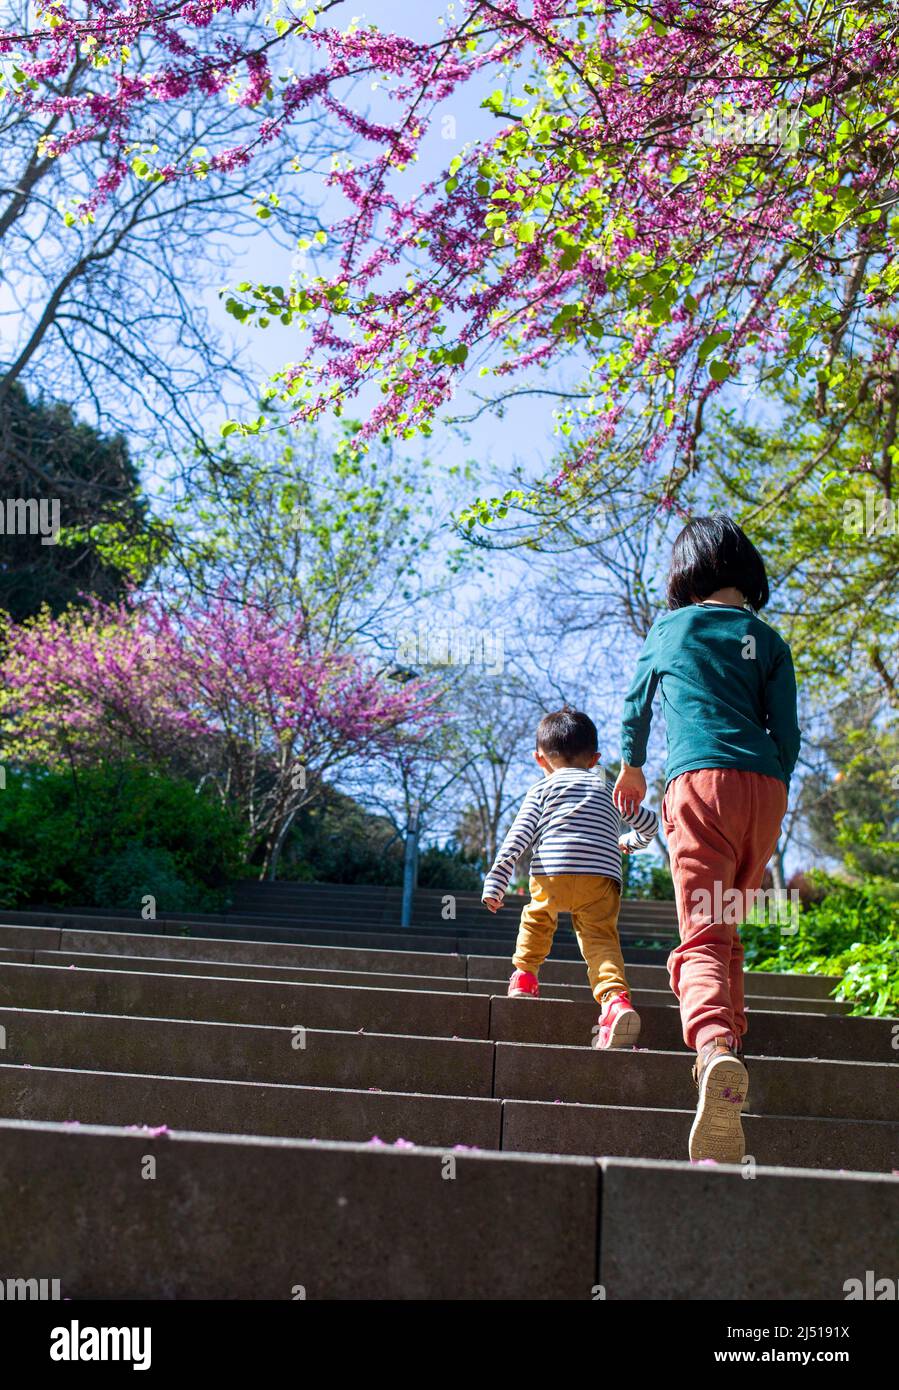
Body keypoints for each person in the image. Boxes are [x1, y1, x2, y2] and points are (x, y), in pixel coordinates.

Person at [614, 514, 800, 1161]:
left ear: (685, 571)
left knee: (700, 935)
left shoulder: (672, 628)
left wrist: (631, 765)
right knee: (725, 928)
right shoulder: (766, 638)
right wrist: (769, 788)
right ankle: (729, 1053)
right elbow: (788, 734)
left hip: (700, 784)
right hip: (765, 791)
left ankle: (714, 1051)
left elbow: (636, 702)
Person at [482, 706, 658, 1049]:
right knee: (600, 940)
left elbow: (518, 838)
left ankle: (525, 977)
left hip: (553, 873)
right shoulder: (610, 789)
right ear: (595, 759)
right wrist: (630, 842)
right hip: (601, 879)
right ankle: (614, 1001)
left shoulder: (541, 790)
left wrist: (497, 878)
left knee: (538, 917)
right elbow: (650, 826)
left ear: (540, 759)